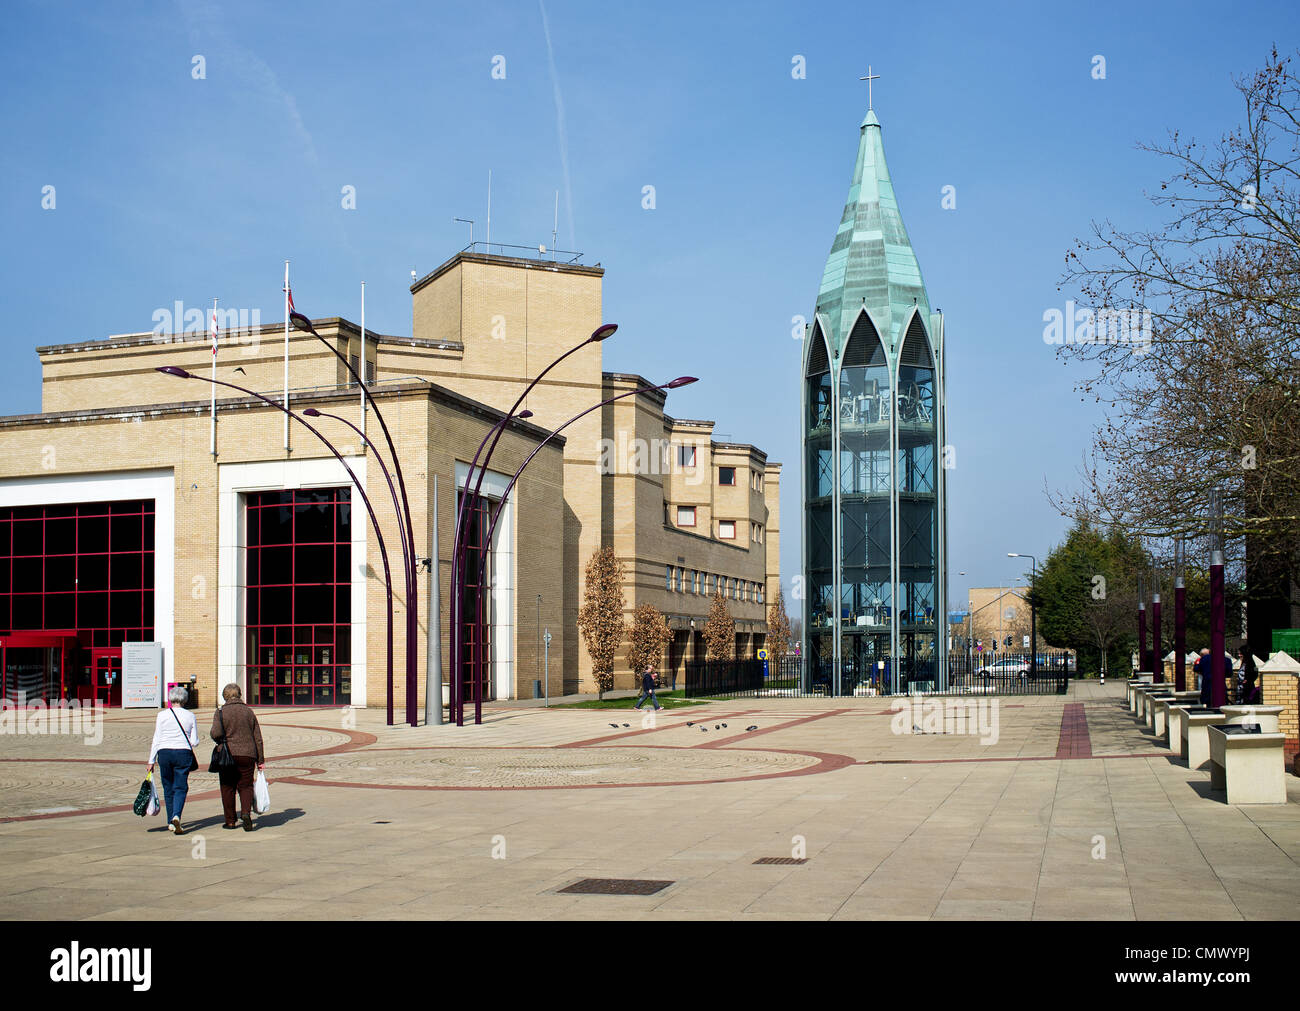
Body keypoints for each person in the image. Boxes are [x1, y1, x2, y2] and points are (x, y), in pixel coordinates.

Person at [211, 683, 265, 831]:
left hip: (227, 754)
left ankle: (230, 821)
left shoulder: (221, 712)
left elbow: (215, 733)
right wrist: (260, 760)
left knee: (227, 787)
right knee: (246, 786)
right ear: (240, 694)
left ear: (225, 696)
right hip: (248, 754)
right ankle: (246, 813)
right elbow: (258, 737)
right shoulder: (248, 711)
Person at [147, 687, 199, 835]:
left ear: (170, 699)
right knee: (181, 787)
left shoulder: (162, 715)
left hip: (164, 752)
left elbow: (157, 738)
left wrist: (151, 760)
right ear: (185, 699)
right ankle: (176, 815)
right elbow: (194, 741)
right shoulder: (190, 715)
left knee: (168, 786)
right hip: (183, 753)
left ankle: (170, 820)